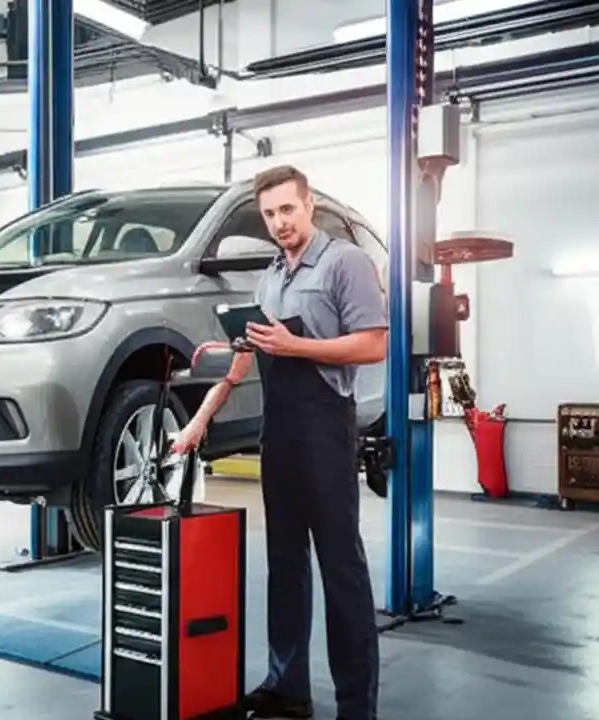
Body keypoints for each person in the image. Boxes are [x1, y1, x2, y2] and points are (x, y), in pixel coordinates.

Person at [171, 165, 387, 720]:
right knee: (284, 563)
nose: (279, 222)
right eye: (269, 215)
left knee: (341, 568)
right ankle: (288, 687)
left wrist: (296, 346)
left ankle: (356, 706)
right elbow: (245, 360)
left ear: (308, 204)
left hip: (324, 427)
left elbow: (371, 346)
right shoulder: (269, 277)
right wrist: (199, 420)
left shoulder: (345, 262)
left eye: (287, 210)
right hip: (281, 433)